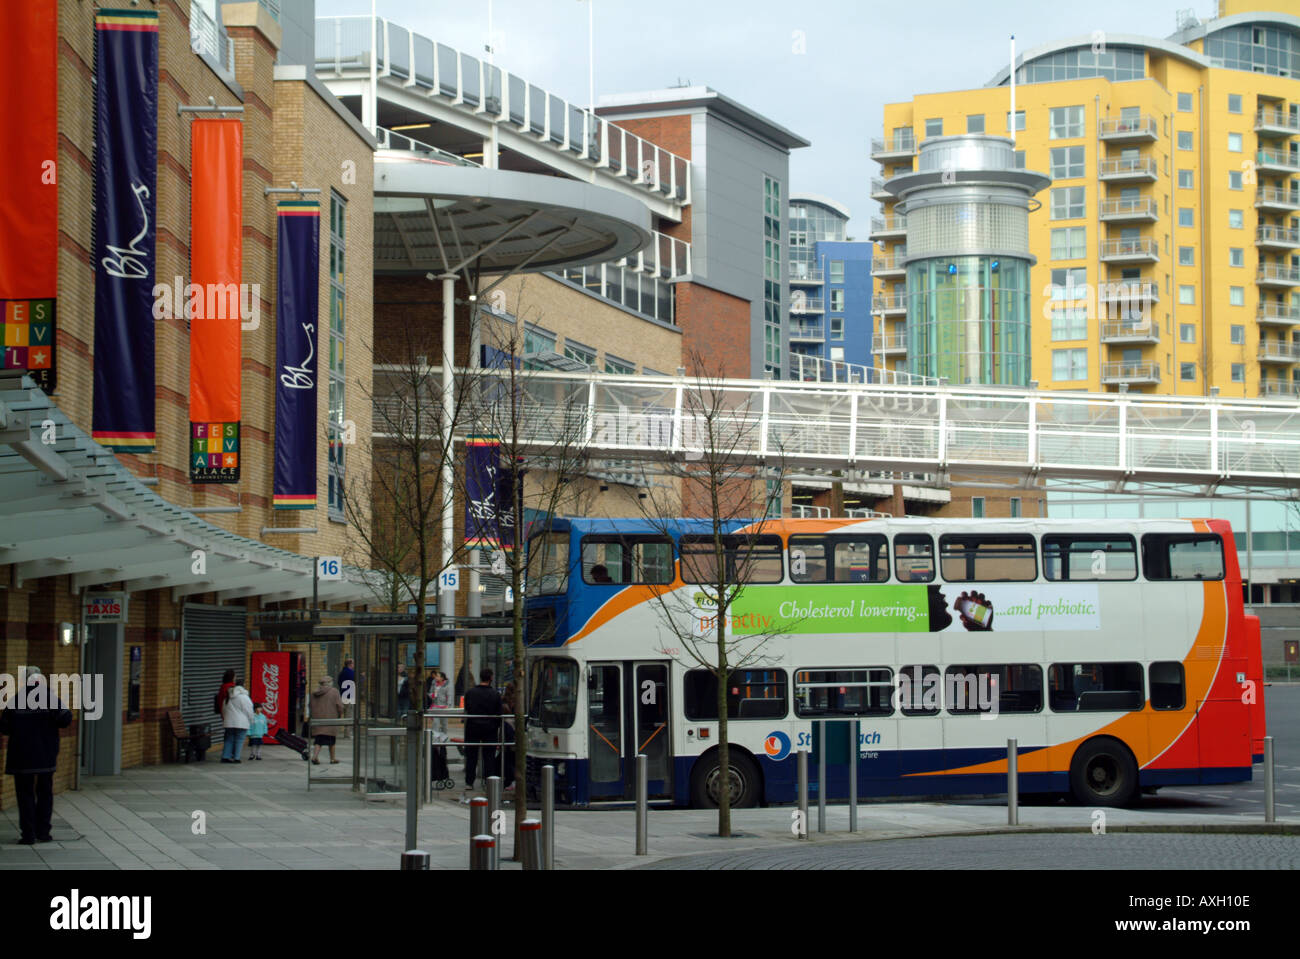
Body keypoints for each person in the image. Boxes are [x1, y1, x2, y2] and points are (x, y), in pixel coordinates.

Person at [0, 667, 72, 844]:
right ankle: (43, 832)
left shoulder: (15, 701)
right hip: (45, 756)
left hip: (21, 757)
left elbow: (4, 728)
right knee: (45, 793)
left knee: (24, 795)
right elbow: (66, 719)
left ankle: (28, 834)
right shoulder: (50, 699)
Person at [462, 668, 503, 793]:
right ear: (491, 678)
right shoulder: (495, 694)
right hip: (490, 728)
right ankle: (488, 781)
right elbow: (499, 713)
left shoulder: (470, 692)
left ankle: (469, 782)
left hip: (473, 727)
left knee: (471, 756)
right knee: (489, 756)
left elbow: (467, 708)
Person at [310, 676, 345, 765]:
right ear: (330, 683)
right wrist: (340, 713)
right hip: (330, 719)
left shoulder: (314, 693)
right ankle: (332, 758)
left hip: (318, 721)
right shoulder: (334, 691)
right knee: (332, 740)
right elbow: (339, 706)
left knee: (318, 740)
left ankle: (315, 756)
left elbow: (309, 705)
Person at [221, 679, 254, 763]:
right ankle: (236, 757)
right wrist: (251, 720)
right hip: (241, 722)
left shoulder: (227, 697)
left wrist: (226, 719)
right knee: (239, 739)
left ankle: (225, 756)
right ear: (243, 686)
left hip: (229, 722)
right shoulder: (244, 697)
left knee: (229, 739)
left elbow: (224, 710)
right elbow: (249, 710)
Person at [500, 681, 517, 791]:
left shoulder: (503, 700)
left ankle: (508, 780)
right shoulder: (518, 701)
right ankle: (512, 780)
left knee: (507, 758)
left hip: (506, 730)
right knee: (513, 758)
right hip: (514, 730)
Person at [337, 658, 355, 738]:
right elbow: (356, 681)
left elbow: (338, 682)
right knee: (349, 715)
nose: (354, 665)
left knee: (340, 714)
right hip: (350, 696)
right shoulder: (351, 672)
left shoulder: (341, 673)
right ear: (350, 664)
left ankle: (335, 731)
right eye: (353, 663)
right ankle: (348, 734)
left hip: (342, 695)